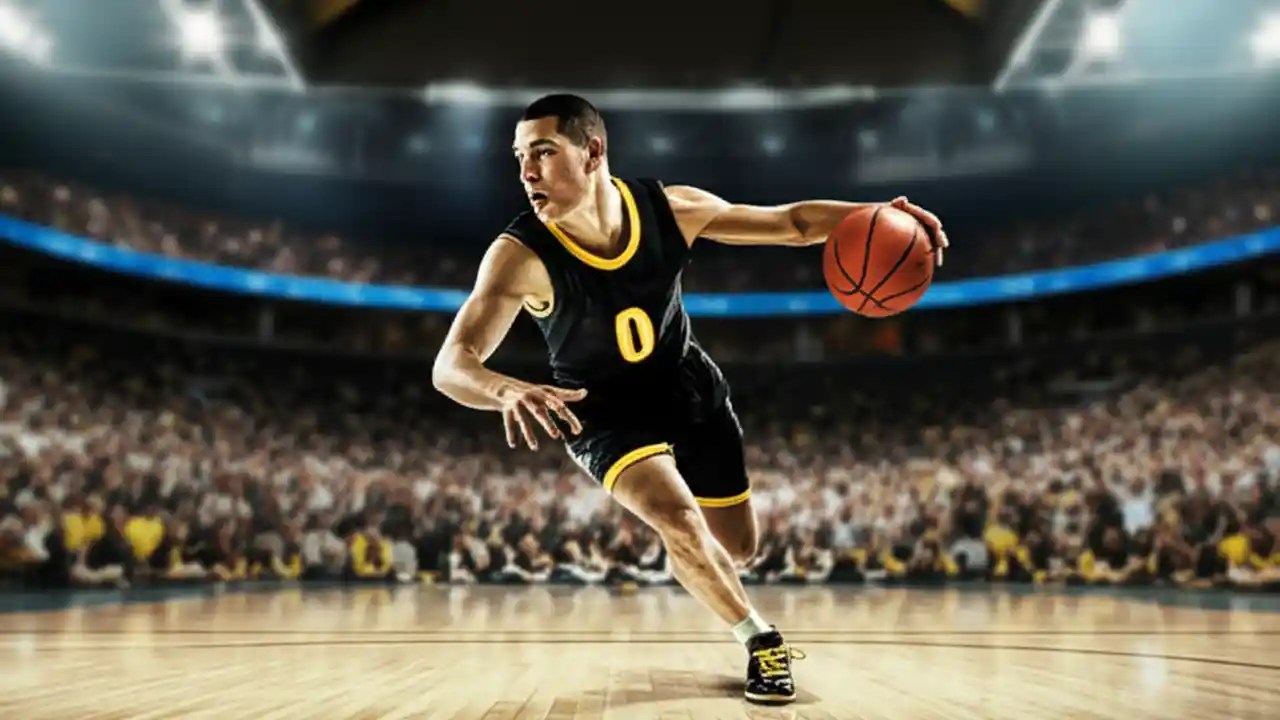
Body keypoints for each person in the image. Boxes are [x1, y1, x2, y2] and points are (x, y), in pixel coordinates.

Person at [432, 93, 948, 705]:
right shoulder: (519, 254)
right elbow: (451, 364)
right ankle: (762, 641)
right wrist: (504, 389)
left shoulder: (670, 209)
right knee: (678, 519)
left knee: (735, 550)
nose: (526, 172)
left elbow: (791, 224)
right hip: (601, 411)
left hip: (687, 387)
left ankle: (687, 555)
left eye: (543, 153)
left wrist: (882, 217)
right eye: (519, 157)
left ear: (593, 151)